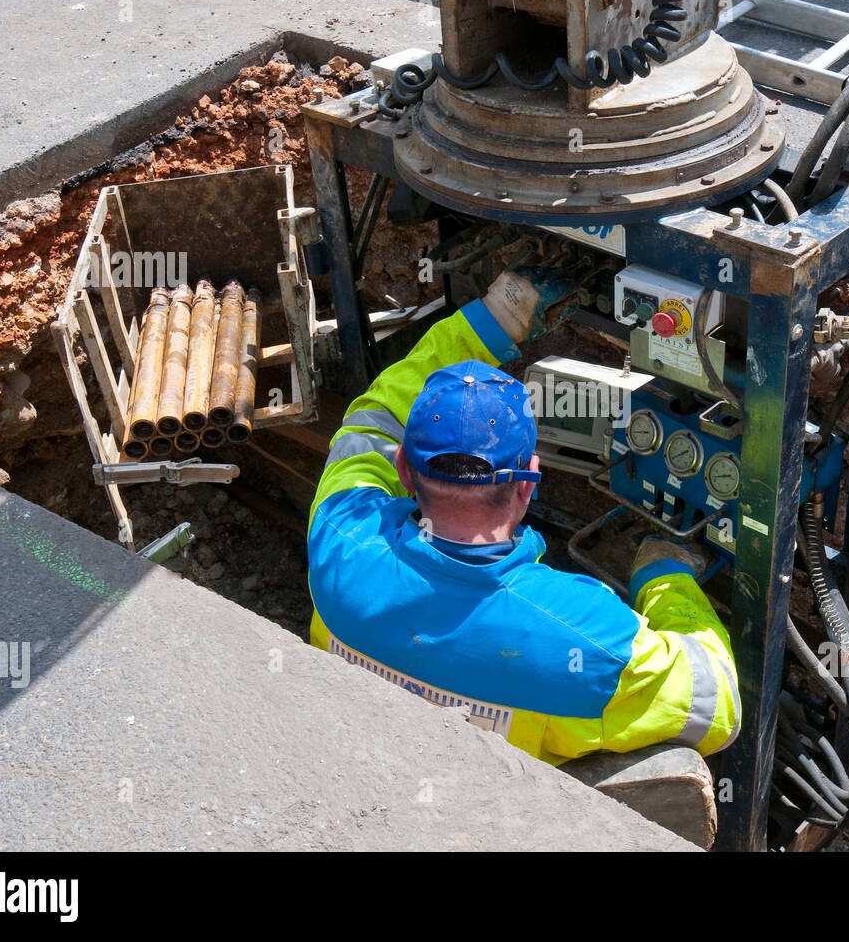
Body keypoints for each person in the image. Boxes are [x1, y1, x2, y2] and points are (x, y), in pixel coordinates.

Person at [307, 268, 739, 765]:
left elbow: (373, 420)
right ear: (529, 481)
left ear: (403, 467)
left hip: (356, 772)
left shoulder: (341, 540)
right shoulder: (588, 640)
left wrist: (496, 317)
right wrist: (665, 577)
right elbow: (718, 700)